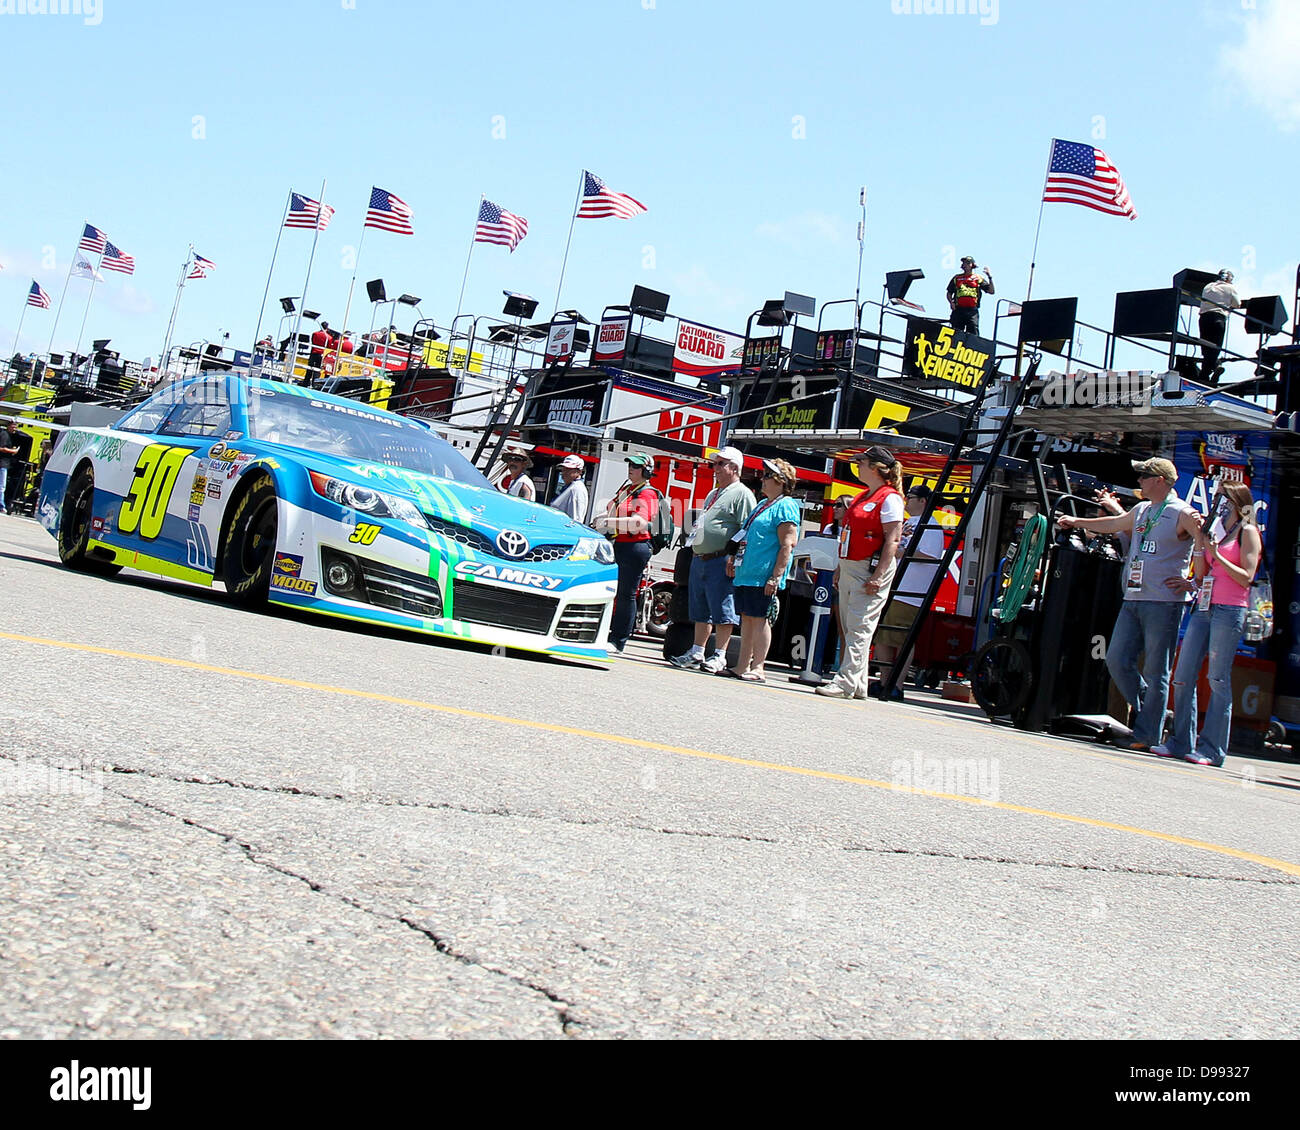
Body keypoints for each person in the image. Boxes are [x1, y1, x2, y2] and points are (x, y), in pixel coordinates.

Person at [1057, 457, 1203, 750]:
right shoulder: (1142, 510)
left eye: (1144, 477)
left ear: (1159, 480)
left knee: (1156, 670)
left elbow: (1205, 543)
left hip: (1163, 602)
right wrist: (1077, 521)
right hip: (1133, 598)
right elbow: (1113, 523)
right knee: (1116, 659)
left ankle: (1147, 733)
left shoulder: (1182, 513)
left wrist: (1195, 583)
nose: (1139, 481)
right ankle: (1153, 710)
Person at [1152, 482, 1261, 767]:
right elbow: (1201, 576)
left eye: (1223, 498)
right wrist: (1201, 544)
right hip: (1204, 605)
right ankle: (1180, 741)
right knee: (1183, 673)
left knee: (1217, 678)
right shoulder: (1217, 530)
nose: (1218, 503)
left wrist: (1218, 552)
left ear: (1237, 502)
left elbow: (1246, 576)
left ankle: (1213, 748)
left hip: (1229, 609)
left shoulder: (1248, 532)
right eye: (1216, 498)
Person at [817, 446, 906, 700]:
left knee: (860, 627)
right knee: (851, 626)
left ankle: (845, 682)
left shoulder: (889, 498)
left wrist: (878, 575)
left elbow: (893, 539)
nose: (857, 465)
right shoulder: (862, 496)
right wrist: (838, 568)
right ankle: (858, 684)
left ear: (877, 468)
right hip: (850, 566)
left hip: (870, 568)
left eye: (862, 462)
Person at [669, 446, 754, 673]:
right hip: (701, 558)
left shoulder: (742, 494)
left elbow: (747, 529)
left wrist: (735, 558)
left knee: (723, 609)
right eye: (715, 463)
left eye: (720, 464)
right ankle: (697, 652)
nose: (715, 468)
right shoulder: (713, 493)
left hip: (721, 559)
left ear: (734, 468)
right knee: (700, 609)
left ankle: (720, 655)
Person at [726, 458, 802, 682]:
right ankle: (742, 665)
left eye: (768, 475)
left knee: (760, 620)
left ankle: (758, 666)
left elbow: (788, 543)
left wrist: (775, 576)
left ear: (781, 481)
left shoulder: (786, 504)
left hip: (763, 574)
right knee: (747, 619)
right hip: (747, 571)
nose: (763, 479)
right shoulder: (762, 504)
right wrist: (733, 557)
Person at [873, 484, 946, 700]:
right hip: (894, 589)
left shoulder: (931, 525)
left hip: (909, 593)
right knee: (883, 636)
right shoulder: (909, 522)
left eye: (911, 497)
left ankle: (897, 684)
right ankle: (885, 681)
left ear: (923, 501)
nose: (907, 501)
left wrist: (901, 551)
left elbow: (931, 556)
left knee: (903, 639)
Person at [596, 454, 659, 652]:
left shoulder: (647, 493)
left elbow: (638, 522)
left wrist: (607, 523)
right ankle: (606, 634)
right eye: (630, 464)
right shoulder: (628, 489)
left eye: (636, 466)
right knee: (614, 592)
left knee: (626, 594)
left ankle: (618, 641)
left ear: (647, 470)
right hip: (620, 543)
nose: (631, 468)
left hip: (634, 547)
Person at [1198, 269, 1241, 384]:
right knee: (1216, 347)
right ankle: (1208, 371)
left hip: (1203, 318)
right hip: (1218, 318)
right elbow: (1237, 304)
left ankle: (1209, 370)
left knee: (1206, 346)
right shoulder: (1230, 288)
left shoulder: (1207, 286)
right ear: (1228, 279)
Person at [946, 256, 994, 335]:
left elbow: (991, 291)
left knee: (973, 331)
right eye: (963, 263)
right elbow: (949, 292)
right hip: (958, 309)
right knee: (956, 331)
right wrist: (951, 303)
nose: (964, 265)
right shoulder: (957, 278)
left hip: (972, 310)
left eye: (967, 263)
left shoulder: (978, 278)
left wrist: (990, 277)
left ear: (972, 265)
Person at [550, 454, 589, 521]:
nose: (564, 472)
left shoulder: (576, 489)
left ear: (579, 471)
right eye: (563, 469)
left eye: (568, 469)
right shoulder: (569, 487)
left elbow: (575, 519)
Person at [0, 422, 17, 515]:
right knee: (2, 487)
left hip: (4, 464)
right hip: (2, 464)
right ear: (8, 426)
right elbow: (1, 448)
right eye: (13, 427)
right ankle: (1, 506)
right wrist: (13, 451)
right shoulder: (4, 435)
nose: (15, 429)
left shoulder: (7, 435)